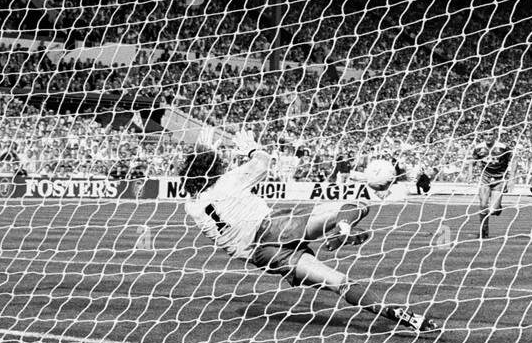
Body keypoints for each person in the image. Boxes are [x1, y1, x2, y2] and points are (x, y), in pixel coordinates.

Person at [179, 131, 433, 332]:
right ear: (213, 170)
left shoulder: (192, 207)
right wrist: (251, 149)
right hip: (273, 227)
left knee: (338, 283)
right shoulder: (228, 181)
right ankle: (342, 227)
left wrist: (202, 154)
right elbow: (264, 162)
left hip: (264, 257)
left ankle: (400, 315)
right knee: (357, 206)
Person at [471, 137, 512, 239]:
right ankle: (483, 232)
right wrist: (470, 174)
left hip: (499, 179)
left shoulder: (503, 147)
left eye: (490, 134)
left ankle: (498, 208)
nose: (488, 136)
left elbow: (513, 159)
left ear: (494, 135)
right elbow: (472, 160)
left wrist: (511, 177)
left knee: (494, 210)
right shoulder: (478, 148)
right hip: (485, 178)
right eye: (486, 134)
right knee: (483, 204)